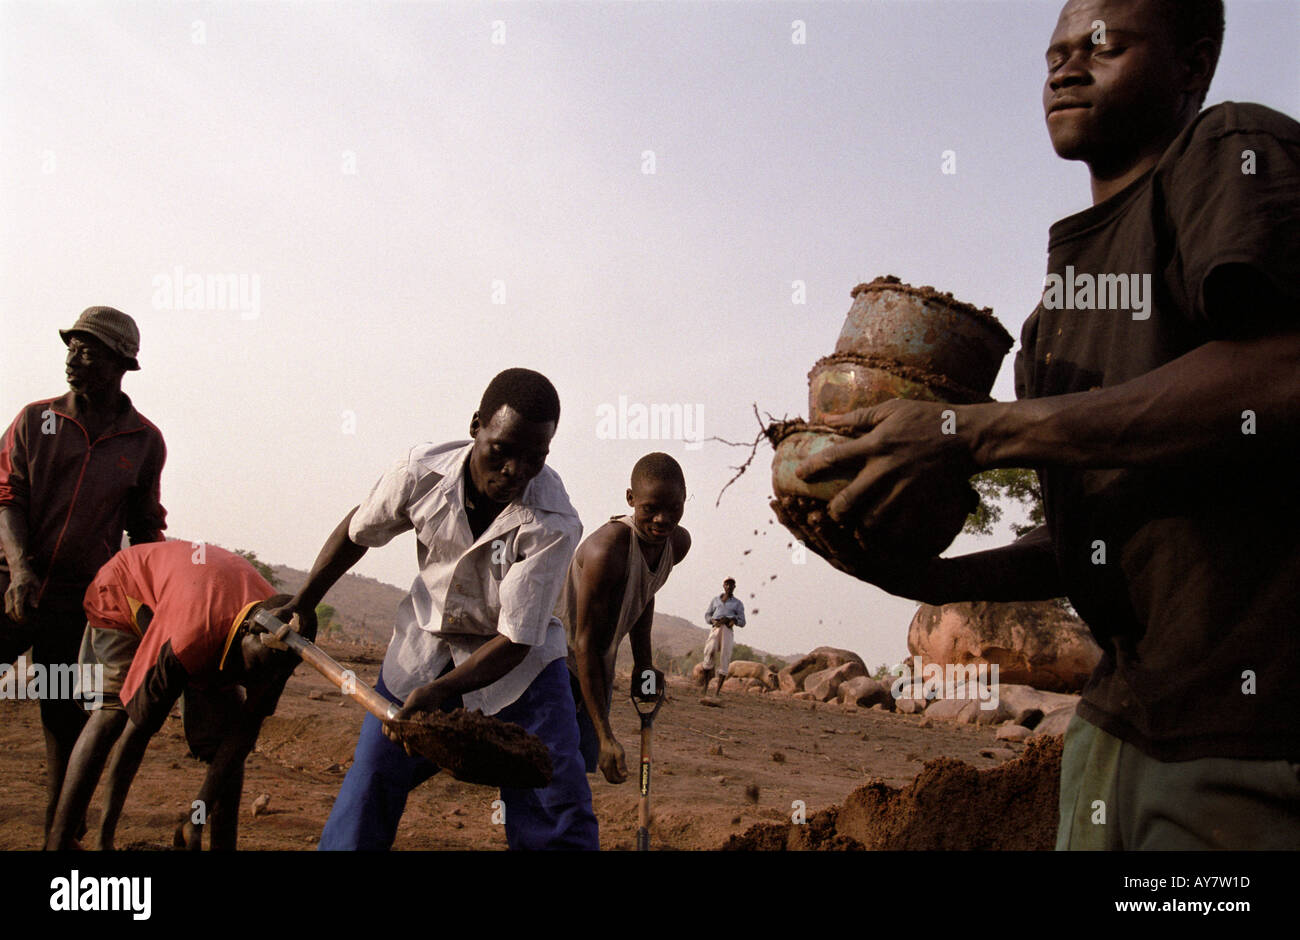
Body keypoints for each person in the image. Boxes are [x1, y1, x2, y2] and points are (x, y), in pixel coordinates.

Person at [784, 0, 1300, 849]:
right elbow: (1083, 535)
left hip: (1247, 736)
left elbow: (1280, 373)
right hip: (1116, 728)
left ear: (1193, 66)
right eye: (1055, 52)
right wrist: (923, 580)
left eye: (1104, 45)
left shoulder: (1227, 151)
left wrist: (974, 433)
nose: (1065, 67)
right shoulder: (1051, 318)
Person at [275, 368, 599, 850]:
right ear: (476, 427)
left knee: (554, 803)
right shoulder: (420, 473)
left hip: (520, 667)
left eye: (534, 457)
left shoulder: (553, 521)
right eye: (501, 450)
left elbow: (515, 639)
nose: (514, 470)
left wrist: (440, 692)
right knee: (372, 782)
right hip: (424, 646)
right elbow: (358, 529)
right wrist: (303, 603)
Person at [0, 306, 167, 842]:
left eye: (89, 349)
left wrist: (155, 604)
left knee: (66, 727)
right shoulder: (35, 419)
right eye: (71, 346)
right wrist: (21, 568)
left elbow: (145, 531)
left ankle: (59, 840)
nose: (74, 358)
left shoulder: (143, 441)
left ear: (122, 363)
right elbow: (8, 497)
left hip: (78, 606)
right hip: (8, 587)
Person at [46, 541, 303, 851]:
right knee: (114, 713)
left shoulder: (280, 649)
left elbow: (239, 741)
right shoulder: (187, 641)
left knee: (225, 742)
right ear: (245, 632)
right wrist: (106, 839)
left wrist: (197, 817)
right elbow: (136, 732)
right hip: (124, 589)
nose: (250, 680)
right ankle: (60, 840)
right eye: (249, 668)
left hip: (200, 607)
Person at [558, 452, 691, 784]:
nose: (662, 520)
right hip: (557, 660)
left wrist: (644, 665)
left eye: (673, 509)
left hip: (597, 663)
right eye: (650, 509)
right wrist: (606, 734)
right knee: (557, 763)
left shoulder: (677, 543)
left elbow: (644, 593)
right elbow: (583, 643)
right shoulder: (608, 550)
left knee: (580, 764)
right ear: (631, 499)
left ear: (685, 502)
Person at [699, 578, 744, 697]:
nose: (729, 587)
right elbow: (707, 615)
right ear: (723, 586)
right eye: (727, 584)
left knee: (725, 656)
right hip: (716, 628)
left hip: (727, 629)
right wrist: (712, 620)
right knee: (709, 652)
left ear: (735, 587)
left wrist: (733, 620)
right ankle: (705, 687)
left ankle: (717, 691)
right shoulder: (715, 600)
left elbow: (742, 621)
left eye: (731, 585)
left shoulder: (737, 603)